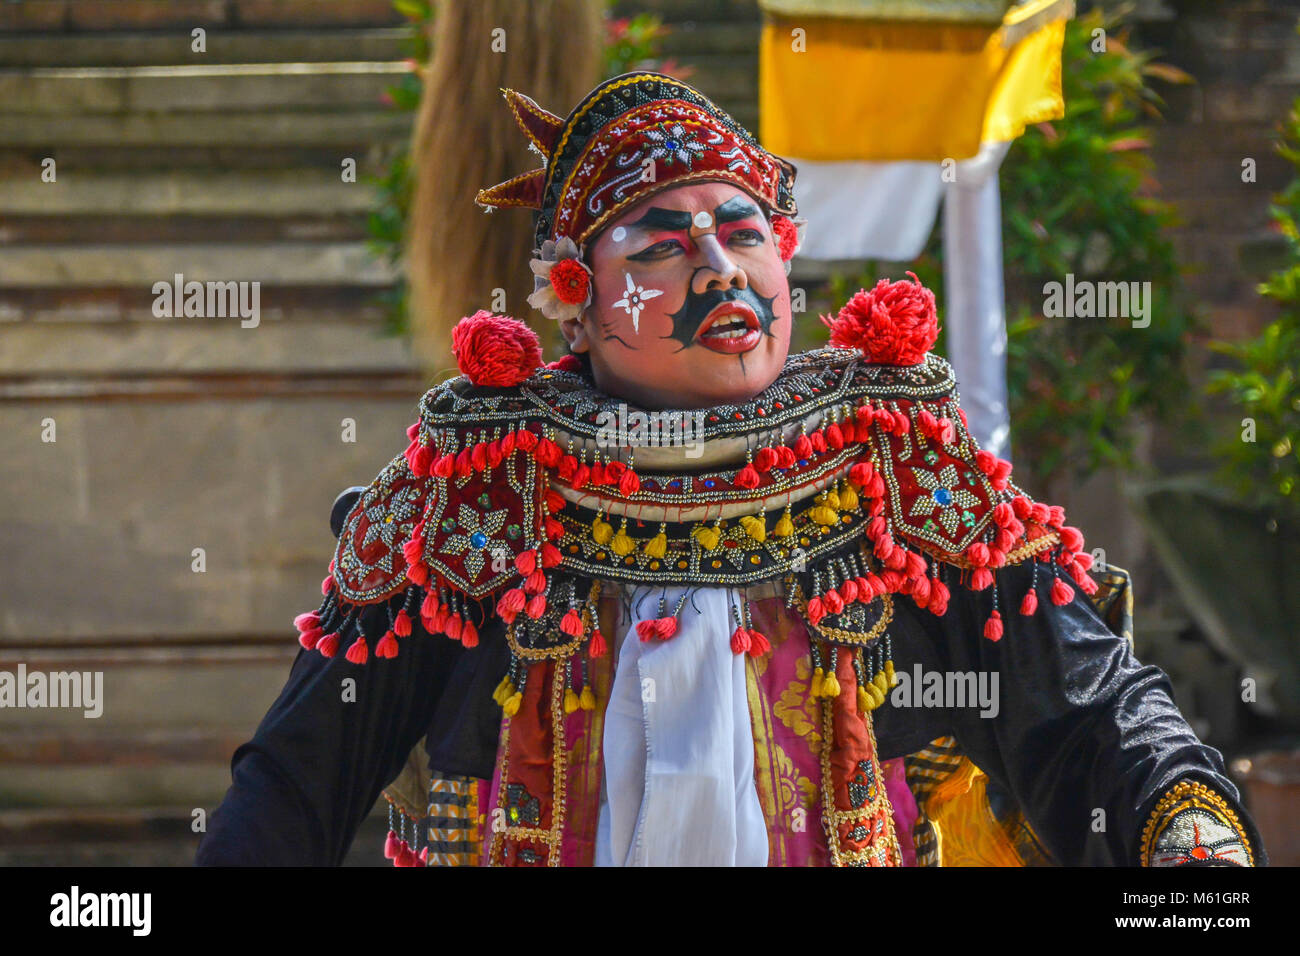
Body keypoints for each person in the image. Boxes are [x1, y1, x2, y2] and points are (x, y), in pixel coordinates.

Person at [197, 72, 1263, 867]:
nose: (718, 267)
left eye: (743, 232)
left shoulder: (890, 466)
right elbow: (300, 778)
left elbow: (1088, 706)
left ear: (784, 256)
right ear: (573, 290)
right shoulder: (479, 486)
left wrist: (1193, 837)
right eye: (659, 246)